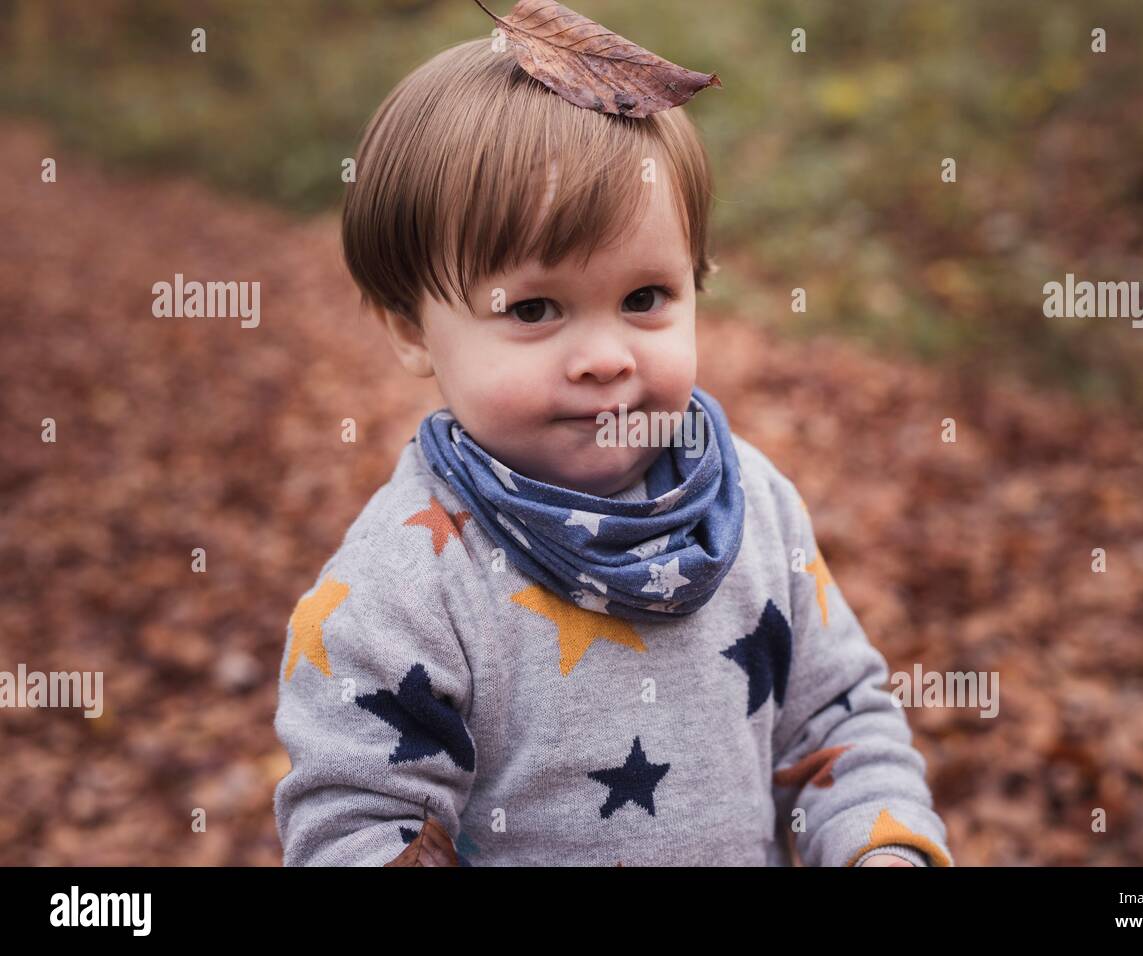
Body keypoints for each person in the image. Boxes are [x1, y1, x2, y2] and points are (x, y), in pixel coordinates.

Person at [273, 35, 952, 868]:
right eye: (533, 310)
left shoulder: (752, 510)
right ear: (412, 329)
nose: (606, 357)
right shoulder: (402, 583)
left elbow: (837, 725)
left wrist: (877, 850)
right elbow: (358, 823)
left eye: (643, 298)